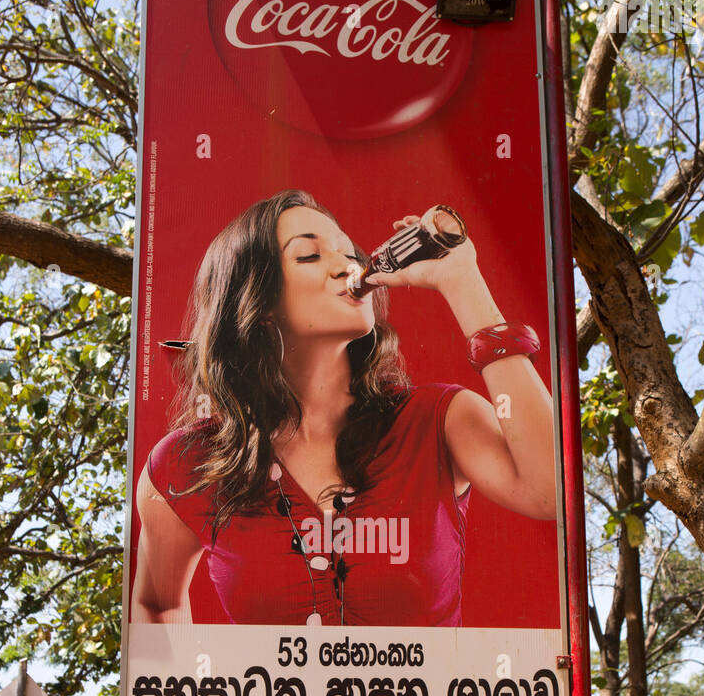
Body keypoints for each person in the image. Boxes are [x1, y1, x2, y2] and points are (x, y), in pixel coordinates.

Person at [131, 189, 556, 628]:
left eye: (348, 251)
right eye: (309, 256)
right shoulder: (184, 466)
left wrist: (464, 281)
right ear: (258, 306)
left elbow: (552, 492)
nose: (348, 265)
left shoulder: (441, 420)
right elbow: (155, 605)